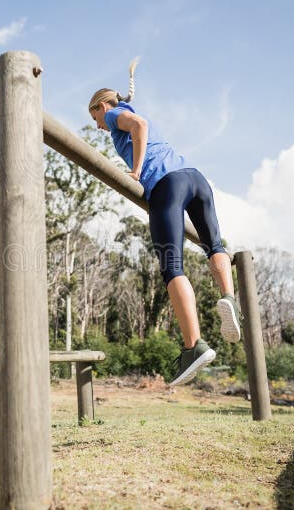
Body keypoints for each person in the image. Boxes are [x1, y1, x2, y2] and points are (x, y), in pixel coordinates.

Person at [88, 59, 241, 386]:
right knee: (214, 245)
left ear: (103, 107)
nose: (99, 126)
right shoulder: (123, 114)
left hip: (167, 185)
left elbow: (138, 125)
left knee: (173, 266)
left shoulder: (115, 115)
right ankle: (228, 296)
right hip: (196, 180)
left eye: (95, 117)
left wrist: (136, 171)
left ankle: (193, 346)